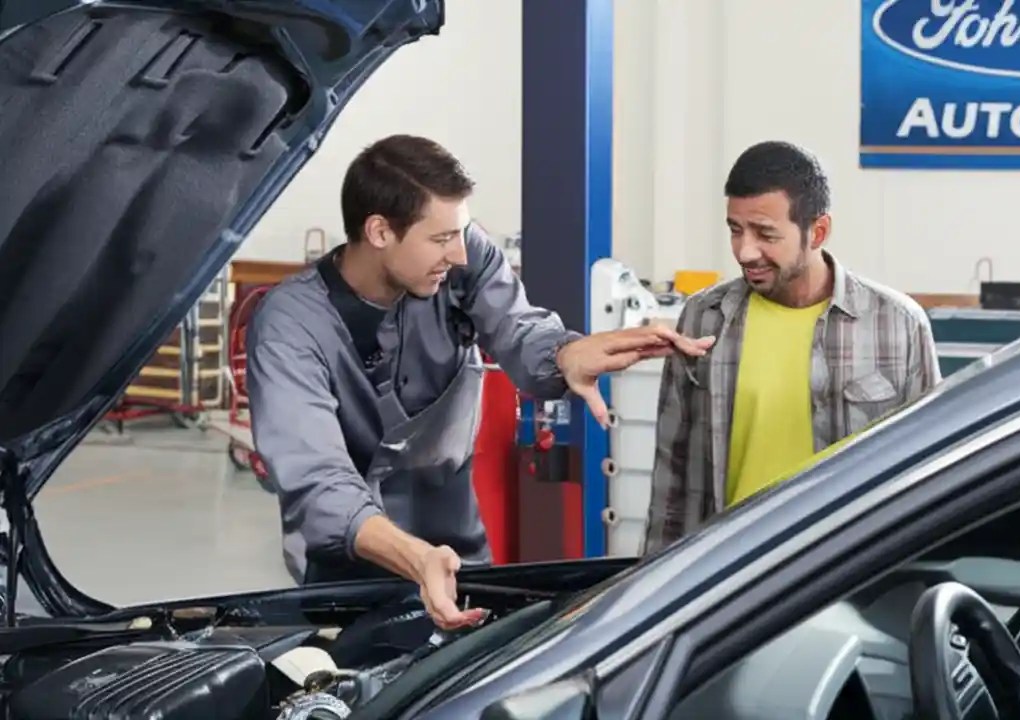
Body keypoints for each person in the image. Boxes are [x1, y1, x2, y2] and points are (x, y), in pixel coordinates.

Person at [246, 134, 712, 628]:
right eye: (441, 238)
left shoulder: (461, 262)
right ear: (380, 231)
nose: (461, 253)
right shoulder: (289, 326)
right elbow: (317, 483)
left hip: (458, 553)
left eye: (461, 233)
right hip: (346, 576)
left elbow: (520, 330)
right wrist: (416, 558)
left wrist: (566, 352)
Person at [642, 140, 941, 553]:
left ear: (817, 231)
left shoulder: (898, 325)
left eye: (765, 234)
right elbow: (673, 479)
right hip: (722, 578)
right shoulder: (703, 317)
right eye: (735, 230)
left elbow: (928, 476)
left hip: (848, 576)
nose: (746, 251)